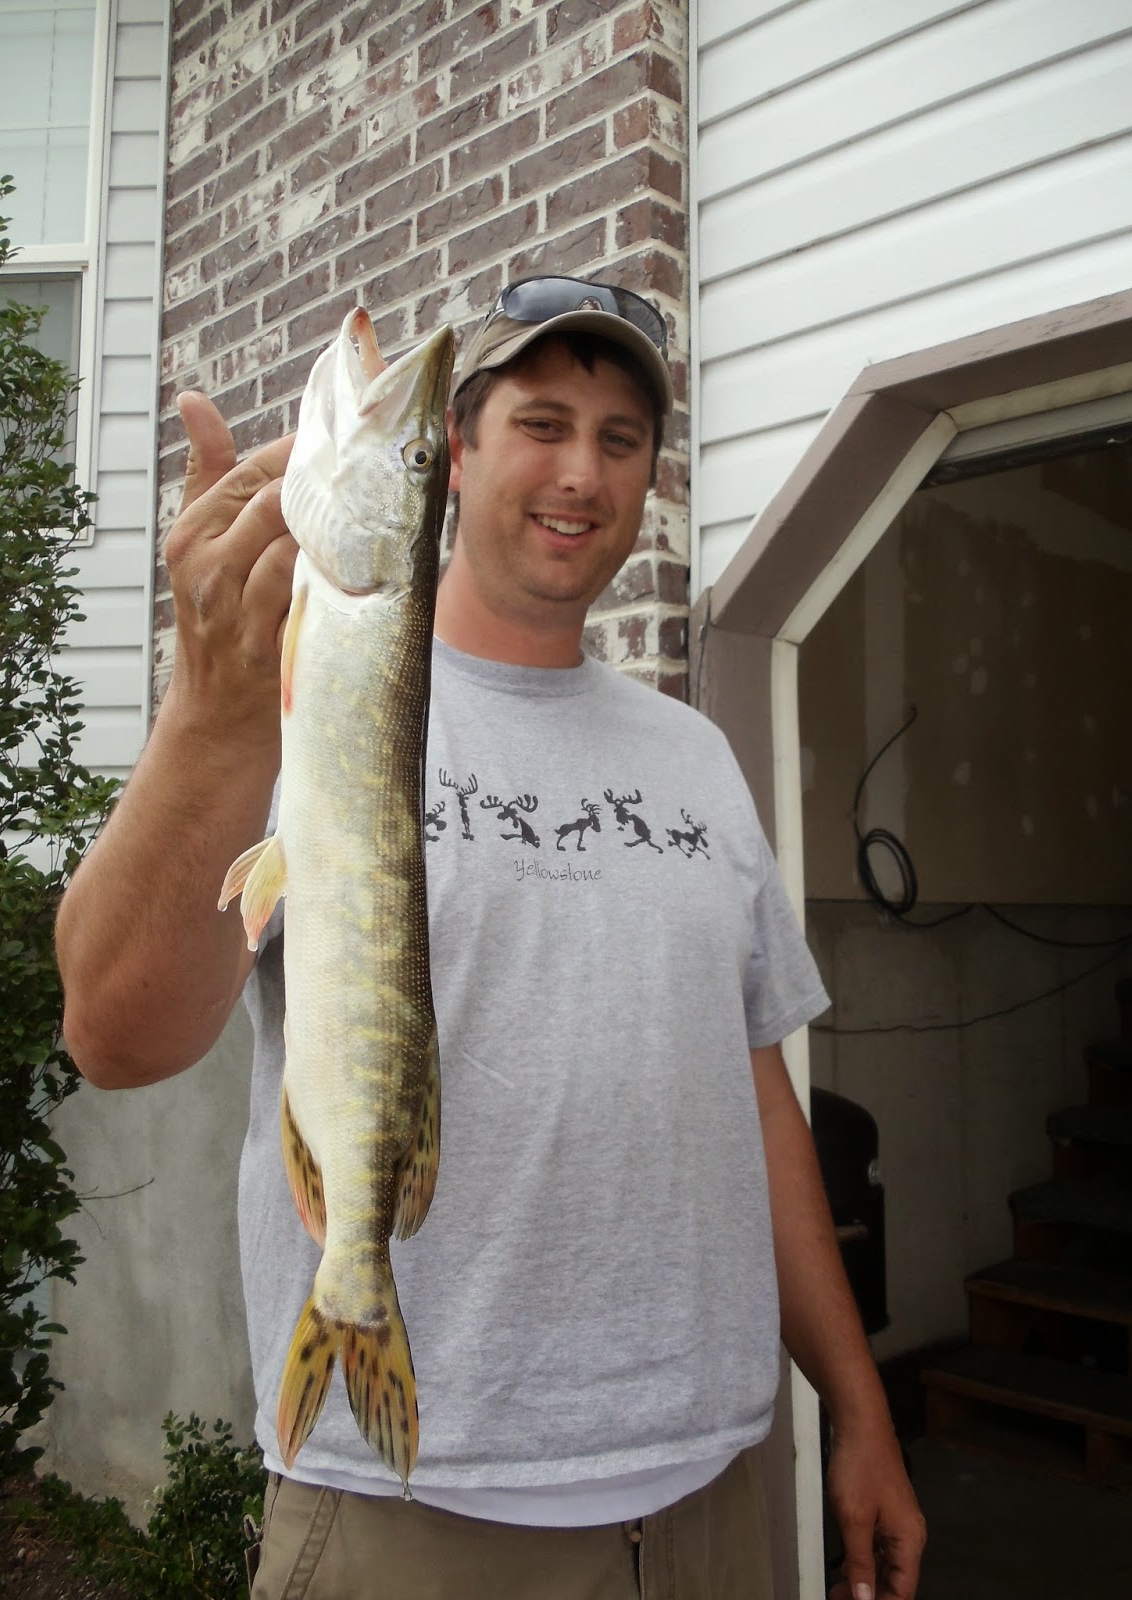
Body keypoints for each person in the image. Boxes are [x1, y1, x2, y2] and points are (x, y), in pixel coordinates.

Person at [56, 274, 925, 1600]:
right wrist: (213, 718)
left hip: (713, 1498)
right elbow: (113, 1037)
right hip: (413, 1517)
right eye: (541, 421)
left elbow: (750, 1099)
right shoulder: (283, 711)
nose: (581, 471)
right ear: (455, 456)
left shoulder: (695, 759)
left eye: (620, 439)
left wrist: (856, 1407)